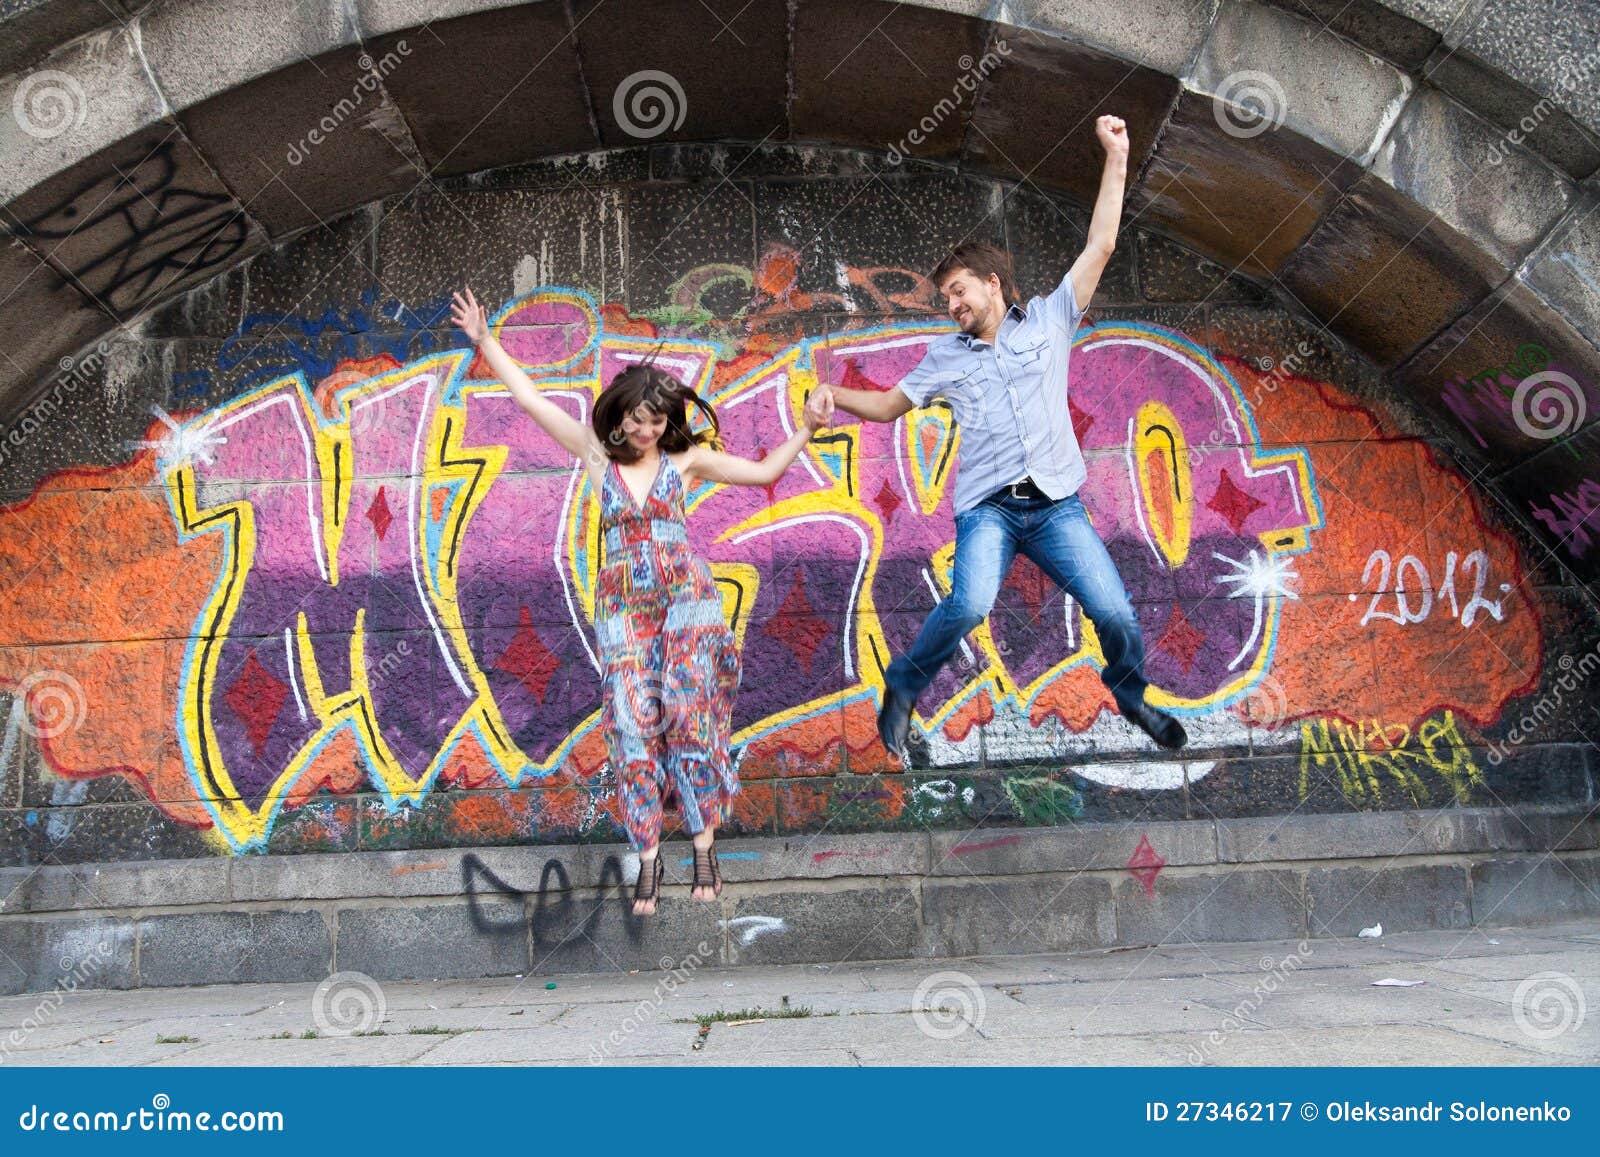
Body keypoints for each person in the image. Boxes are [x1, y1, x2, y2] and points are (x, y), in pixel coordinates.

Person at [810, 114, 1188, 764]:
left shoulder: (1049, 317)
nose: (951, 303)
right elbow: (887, 406)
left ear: (992, 283)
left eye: (958, 290)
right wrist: (832, 395)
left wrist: (1117, 156)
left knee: (1118, 614)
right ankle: (902, 688)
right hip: (988, 509)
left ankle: (1130, 694)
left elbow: (1100, 245)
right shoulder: (943, 356)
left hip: (1055, 508)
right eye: (944, 296)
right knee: (969, 602)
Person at [452, 288, 833, 915]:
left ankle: (703, 844)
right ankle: (649, 857)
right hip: (623, 606)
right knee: (632, 722)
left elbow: (765, 475)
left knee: (689, 715)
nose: (647, 429)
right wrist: (485, 339)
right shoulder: (596, 456)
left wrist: (808, 430)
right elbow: (529, 400)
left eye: (657, 421)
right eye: (639, 418)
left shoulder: (686, 462)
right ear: (620, 414)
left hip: (686, 600)